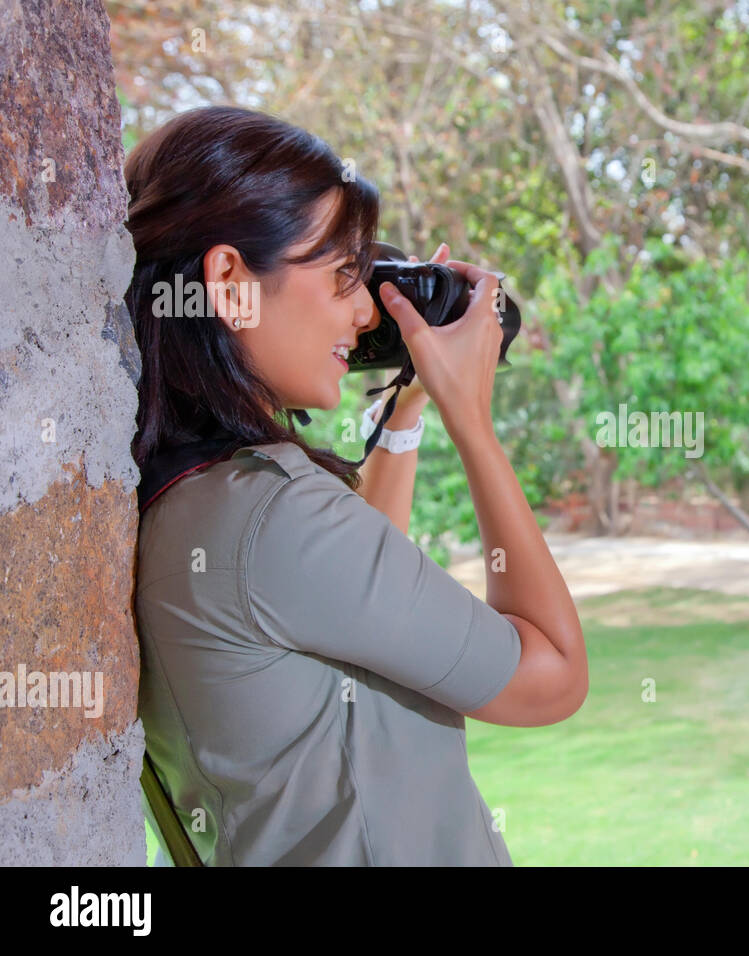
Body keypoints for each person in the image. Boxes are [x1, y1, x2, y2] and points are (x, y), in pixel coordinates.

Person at [128, 106, 587, 865]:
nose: (365, 309)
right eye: (343, 274)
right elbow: (553, 677)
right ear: (231, 282)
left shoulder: (196, 500)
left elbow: (356, 599)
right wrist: (471, 420)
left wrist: (405, 413)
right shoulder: (269, 515)